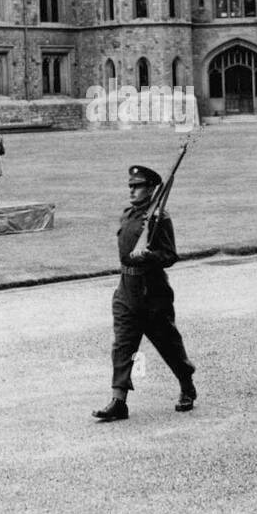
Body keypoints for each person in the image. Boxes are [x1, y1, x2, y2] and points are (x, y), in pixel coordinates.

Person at [92, 165, 198, 421]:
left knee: (167, 344)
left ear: (151, 189)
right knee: (123, 346)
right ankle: (119, 401)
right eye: (130, 186)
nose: (132, 190)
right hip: (126, 291)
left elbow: (170, 255)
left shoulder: (161, 218)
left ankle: (186, 384)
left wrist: (150, 256)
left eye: (137, 186)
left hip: (153, 293)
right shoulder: (128, 215)